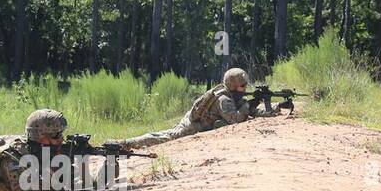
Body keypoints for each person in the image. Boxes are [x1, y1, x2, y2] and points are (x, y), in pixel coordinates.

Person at [111, 67, 276, 150]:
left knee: (164, 135)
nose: (245, 87)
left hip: (196, 121)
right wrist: (249, 104)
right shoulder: (224, 99)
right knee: (163, 137)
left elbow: (248, 111)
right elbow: (235, 119)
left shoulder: (233, 97)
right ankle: (125, 143)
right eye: (243, 85)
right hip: (191, 127)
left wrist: (274, 108)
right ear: (233, 85)